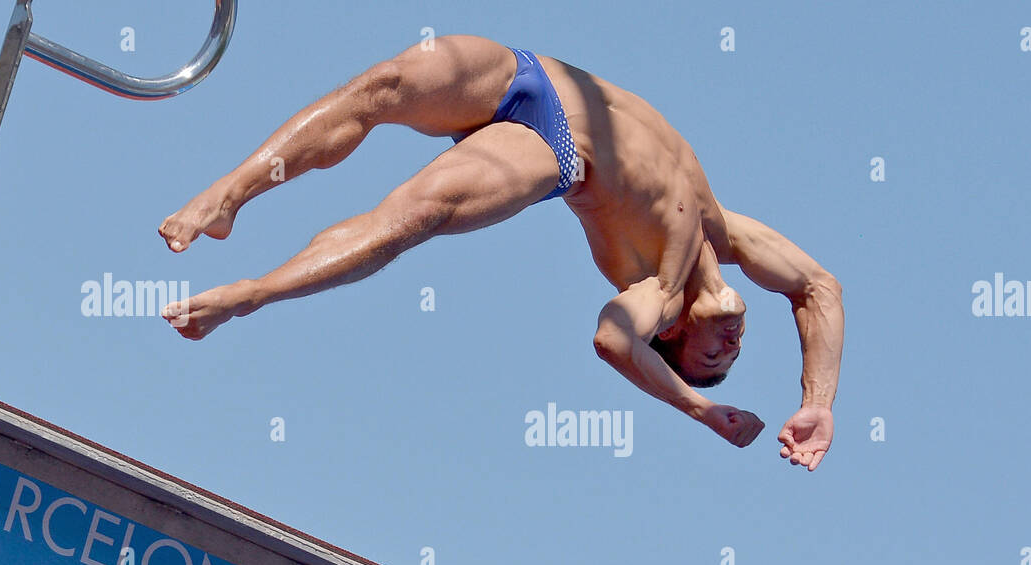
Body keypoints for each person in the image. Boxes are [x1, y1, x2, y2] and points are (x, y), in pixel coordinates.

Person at [159, 35, 843, 470]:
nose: (731, 348)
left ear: (670, 331)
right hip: (537, 74)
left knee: (411, 218)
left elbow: (611, 340)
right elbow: (817, 288)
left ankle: (252, 293)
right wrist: (820, 399)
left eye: (711, 358)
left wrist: (696, 406)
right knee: (384, 85)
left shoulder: (655, 289)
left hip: (556, 152)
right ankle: (229, 196)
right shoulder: (730, 233)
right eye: (732, 357)